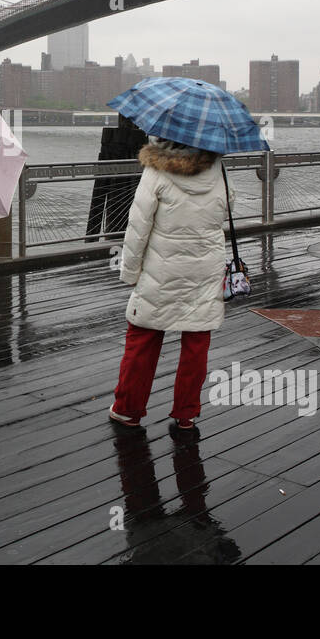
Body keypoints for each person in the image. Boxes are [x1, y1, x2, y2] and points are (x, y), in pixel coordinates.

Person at [109, 136, 233, 434]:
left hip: (160, 269)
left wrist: (130, 272)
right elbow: (227, 210)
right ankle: (186, 414)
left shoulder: (156, 169)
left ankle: (128, 410)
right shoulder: (218, 168)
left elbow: (138, 226)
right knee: (196, 341)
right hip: (205, 268)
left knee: (143, 338)